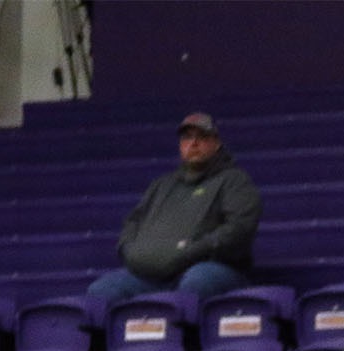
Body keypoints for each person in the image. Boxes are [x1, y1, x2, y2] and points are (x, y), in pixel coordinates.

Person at [88, 112, 262, 303]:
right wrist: (129, 251)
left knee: (197, 281)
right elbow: (133, 222)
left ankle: (188, 331)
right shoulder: (162, 185)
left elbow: (239, 229)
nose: (193, 143)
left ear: (216, 143)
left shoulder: (234, 180)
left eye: (202, 137)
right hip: (154, 274)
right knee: (102, 290)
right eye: (187, 138)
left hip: (212, 268)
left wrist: (191, 253)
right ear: (181, 145)